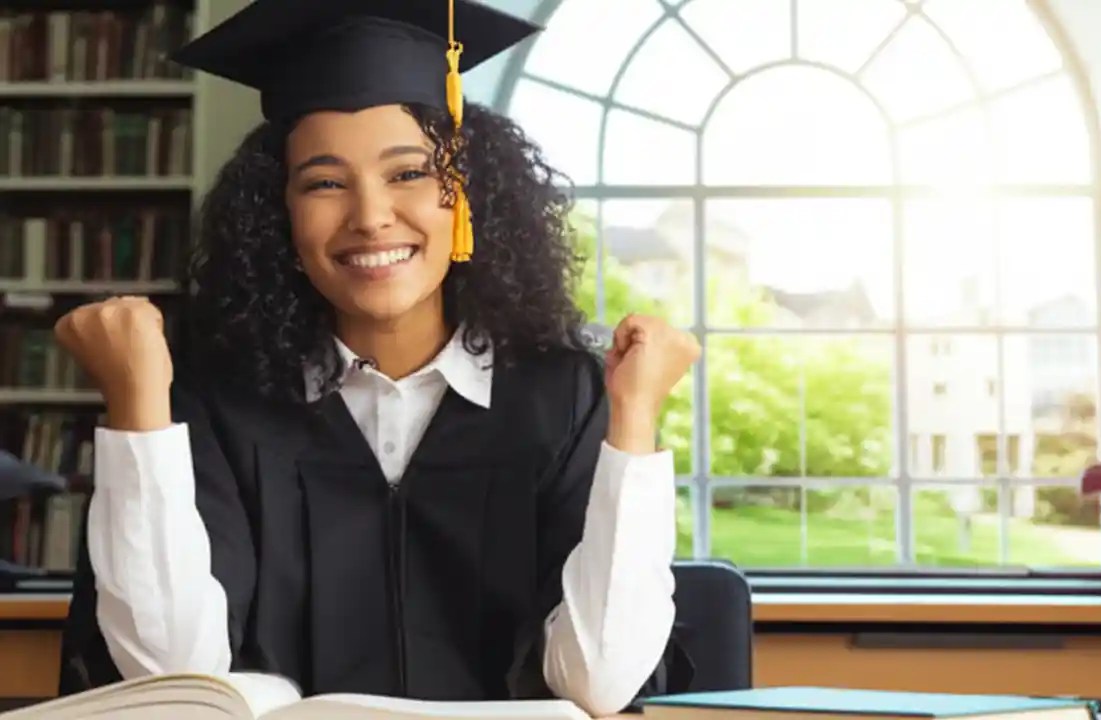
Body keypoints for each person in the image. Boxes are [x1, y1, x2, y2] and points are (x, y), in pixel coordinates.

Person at [51, 0, 701, 716]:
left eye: (409, 173)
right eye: (325, 182)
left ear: (468, 198)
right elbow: (170, 683)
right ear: (279, 213)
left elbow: (600, 687)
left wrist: (633, 420)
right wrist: (140, 409)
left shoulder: (565, 395)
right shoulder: (216, 403)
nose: (370, 215)